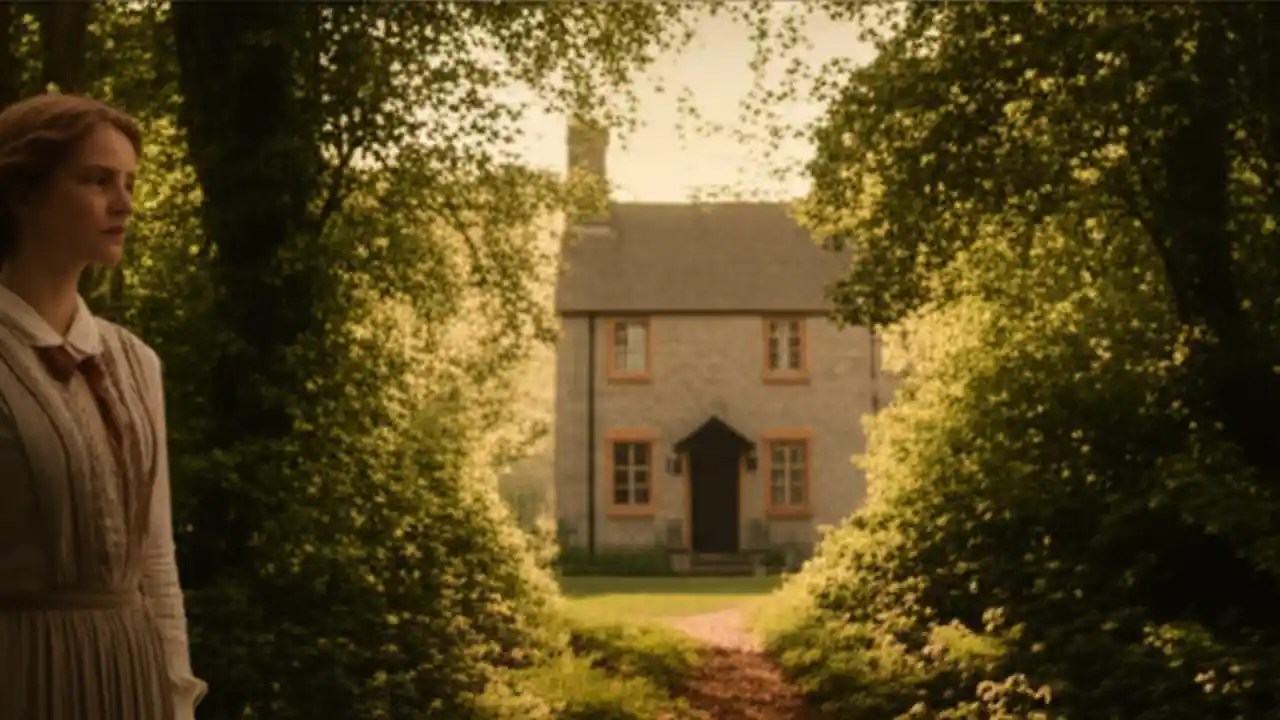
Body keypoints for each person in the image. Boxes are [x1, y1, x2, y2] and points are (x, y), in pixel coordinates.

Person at [0, 93, 206, 719]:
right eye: (97, 181)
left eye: (129, 183)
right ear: (24, 194)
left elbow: (156, 561)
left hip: (130, 675)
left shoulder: (135, 361)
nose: (125, 203)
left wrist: (176, 700)